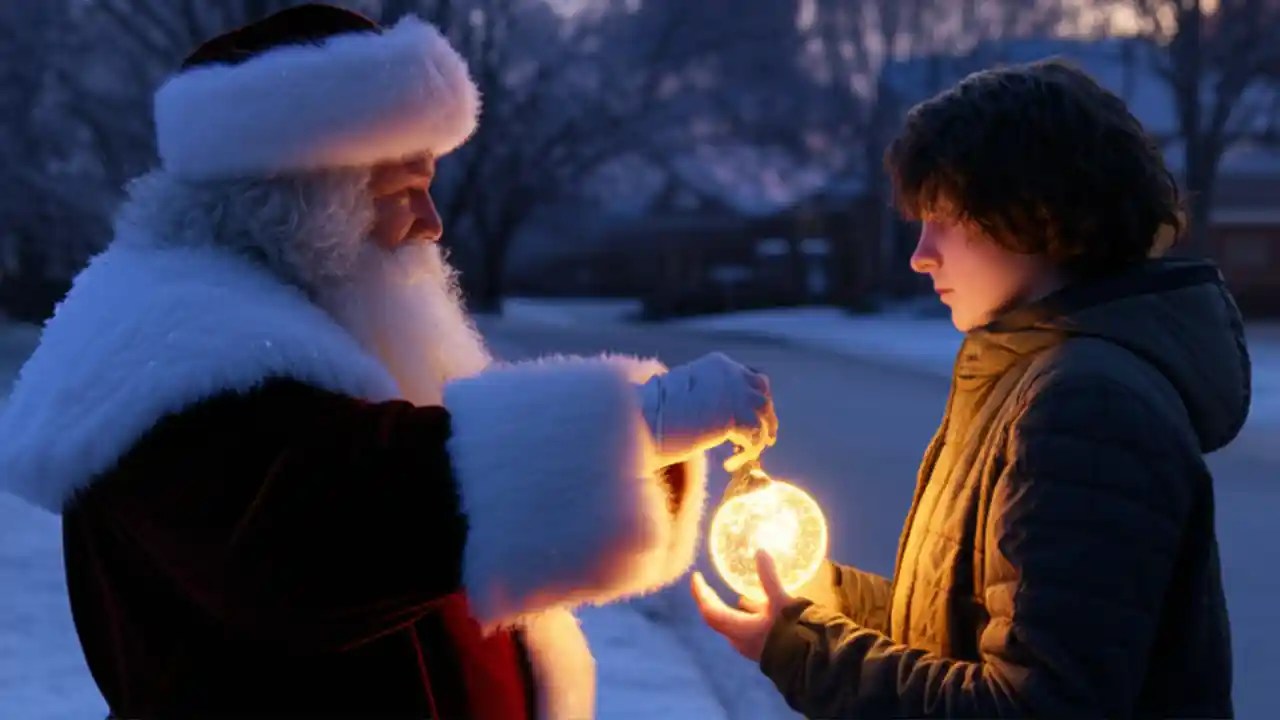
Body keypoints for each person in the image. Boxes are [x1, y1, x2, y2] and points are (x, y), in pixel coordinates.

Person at [0, 5, 777, 719]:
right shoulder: (173, 355)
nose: (431, 224)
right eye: (405, 188)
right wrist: (635, 426)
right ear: (309, 196)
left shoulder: (295, 327)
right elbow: (340, 525)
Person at [693, 58, 1244, 718]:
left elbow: (1035, 706)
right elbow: (971, 633)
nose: (920, 254)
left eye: (944, 217)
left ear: (1036, 213)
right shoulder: (1030, 376)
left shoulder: (1088, 406)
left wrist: (806, 649)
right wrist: (815, 595)